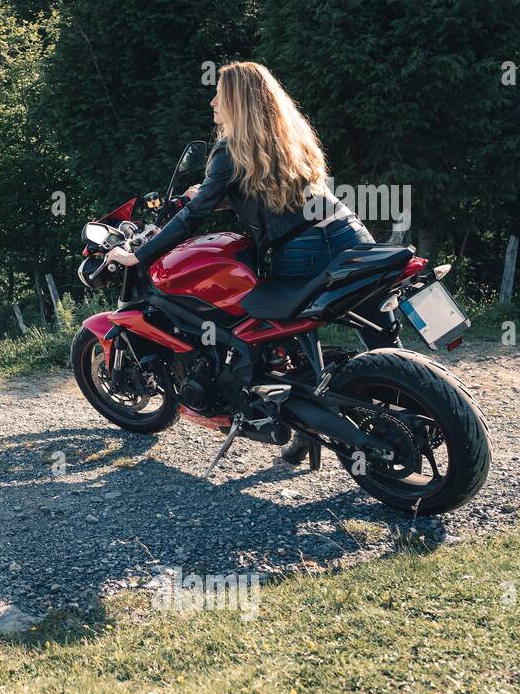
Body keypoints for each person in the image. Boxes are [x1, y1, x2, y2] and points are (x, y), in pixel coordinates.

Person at [106, 60, 397, 464]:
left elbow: (192, 217)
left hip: (305, 247)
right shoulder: (289, 137)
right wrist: (220, 193)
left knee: (277, 335)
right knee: (382, 338)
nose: (212, 103)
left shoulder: (228, 149)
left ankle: (304, 426)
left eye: (219, 96)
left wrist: (137, 254)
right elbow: (274, 192)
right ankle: (411, 411)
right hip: (350, 232)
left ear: (237, 102)